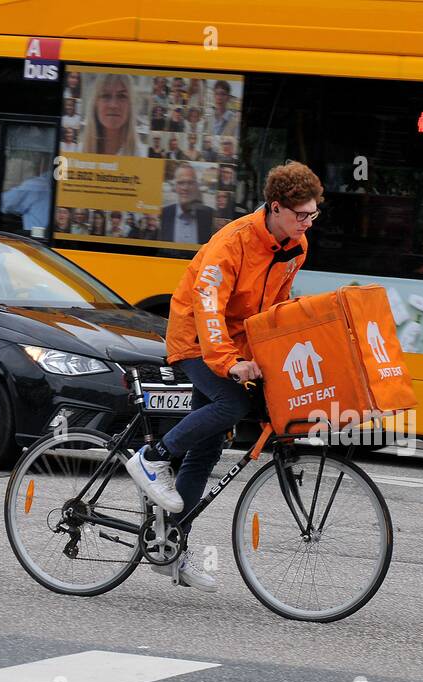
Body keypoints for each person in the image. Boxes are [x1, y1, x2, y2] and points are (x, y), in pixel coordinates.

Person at [126, 160, 323, 591]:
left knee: (207, 448)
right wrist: (229, 362)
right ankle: (153, 457)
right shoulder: (232, 243)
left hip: (236, 346)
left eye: (313, 215)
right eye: (301, 215)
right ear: (276, 208)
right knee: (231, 404)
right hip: (196, 339)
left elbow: (276, 306)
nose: (308, 223)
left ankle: (168, 547)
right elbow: (208, 306)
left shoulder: (296, 246)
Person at [81, 74, 145, 156]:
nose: (113, 105)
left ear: (130, 105)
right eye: (106, 96)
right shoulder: (76, 152)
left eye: (121, 96)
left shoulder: (143, 157)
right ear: (95, 104)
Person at [158, 163, 215, 243]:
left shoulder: (211, 215)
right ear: (175, 187)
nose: (185, 188)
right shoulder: (163, 214)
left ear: (196, 186)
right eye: (181, 183)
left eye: (190, 183)